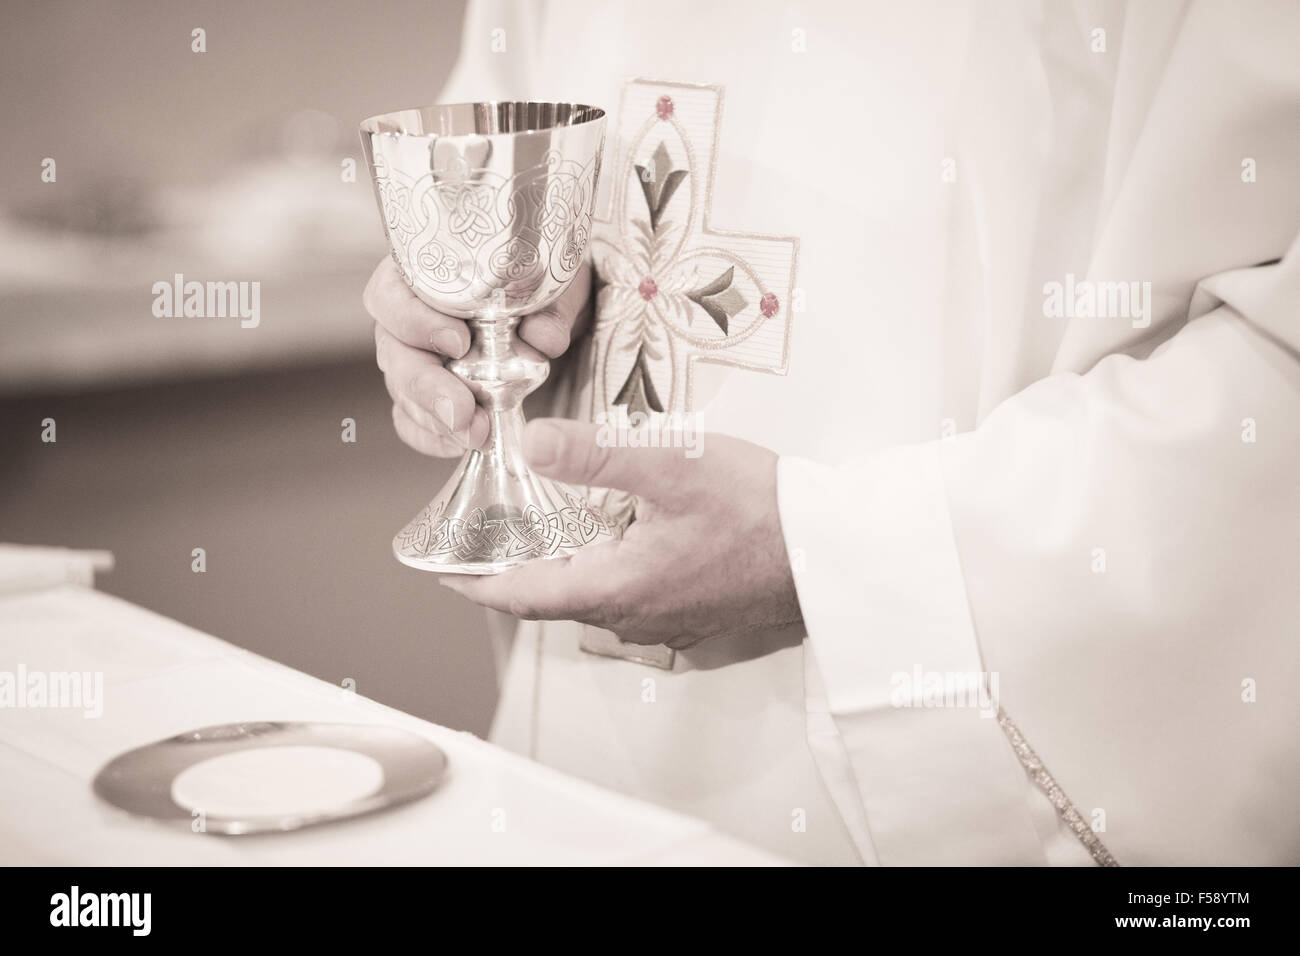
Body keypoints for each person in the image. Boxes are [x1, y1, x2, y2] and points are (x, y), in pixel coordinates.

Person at [363, 0, 1300, 864]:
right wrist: (470, 296)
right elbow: (510, 127)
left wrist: (826, 552)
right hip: (576, 744)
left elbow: (1272, 367)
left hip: (912, 771)